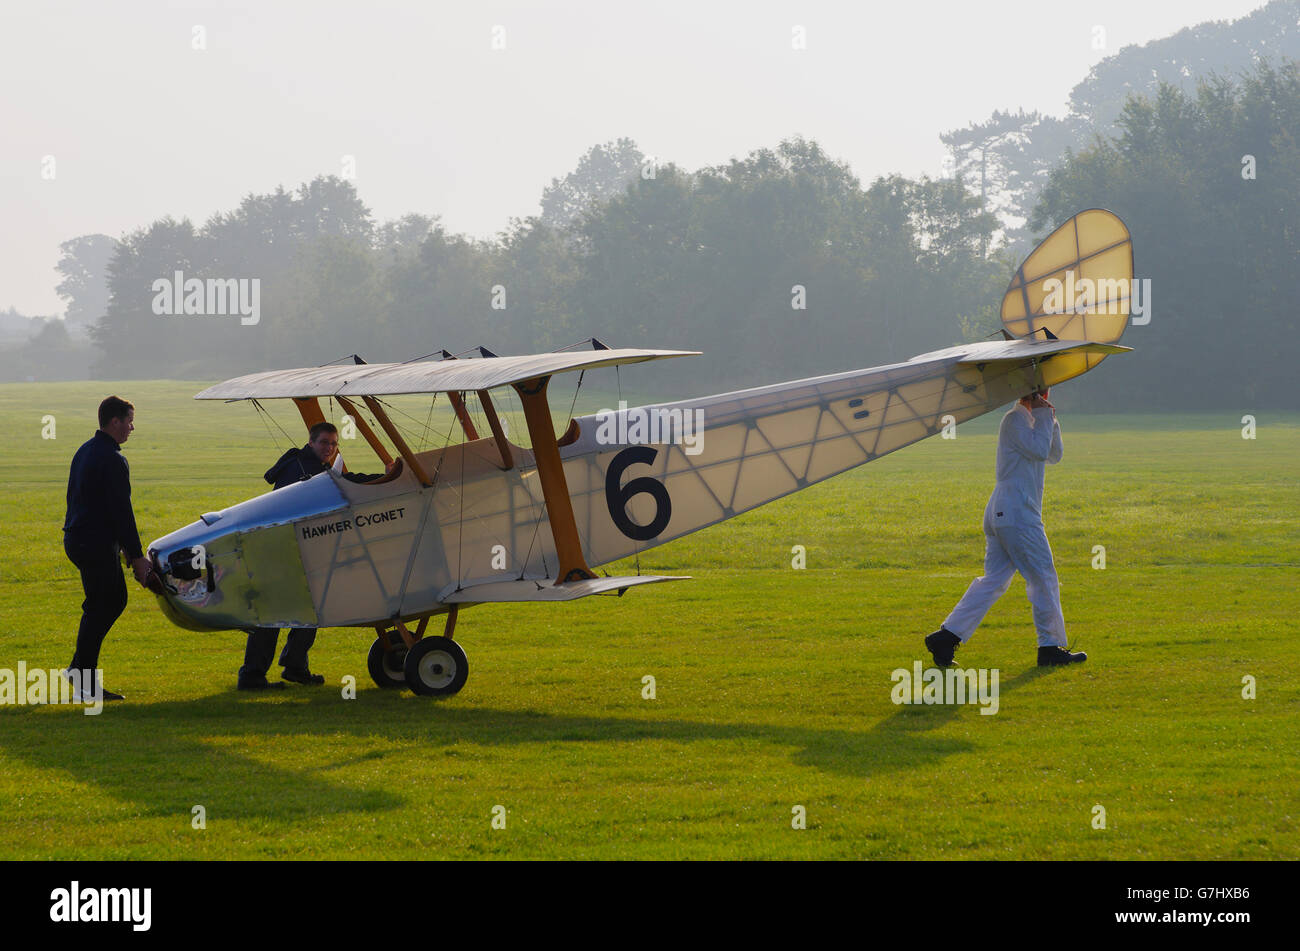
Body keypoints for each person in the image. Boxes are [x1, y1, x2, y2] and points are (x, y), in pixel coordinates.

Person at [925, 388, 1087, 668]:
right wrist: (1044, 414)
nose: (1045, 393)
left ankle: (946, 637)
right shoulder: (1014, 420)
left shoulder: (1032, 419)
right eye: (1041, 389)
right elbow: (1038, 450)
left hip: (1007, 511)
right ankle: (1049, 647)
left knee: (995, 580)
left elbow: (1053, 454)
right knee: (1043, 576)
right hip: (1017, 512)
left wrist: (1049, 417)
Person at [238, 422, 394, 690]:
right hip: (281, 551)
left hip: (296, 552)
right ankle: (253, 676)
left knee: (313, 606)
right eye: (323, 443)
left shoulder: (313, 468)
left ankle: (295, 667)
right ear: (311, 443)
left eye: (333, 444)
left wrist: (384, 477)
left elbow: (346, 480)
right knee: (275, 612)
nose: (329, 448)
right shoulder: (301, 469)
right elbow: (335, 488)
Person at [63, 395, 153, 701]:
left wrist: (124, 548)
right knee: (105, 604)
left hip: (79, 538)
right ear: (114, 422)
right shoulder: (113, 459)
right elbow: (120, 511)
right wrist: (137, 556)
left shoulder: (86, 450)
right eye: (128, 420)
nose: (132, 427)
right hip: (94, 542)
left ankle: (79, 670)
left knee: (106, 602)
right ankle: (83, 678)